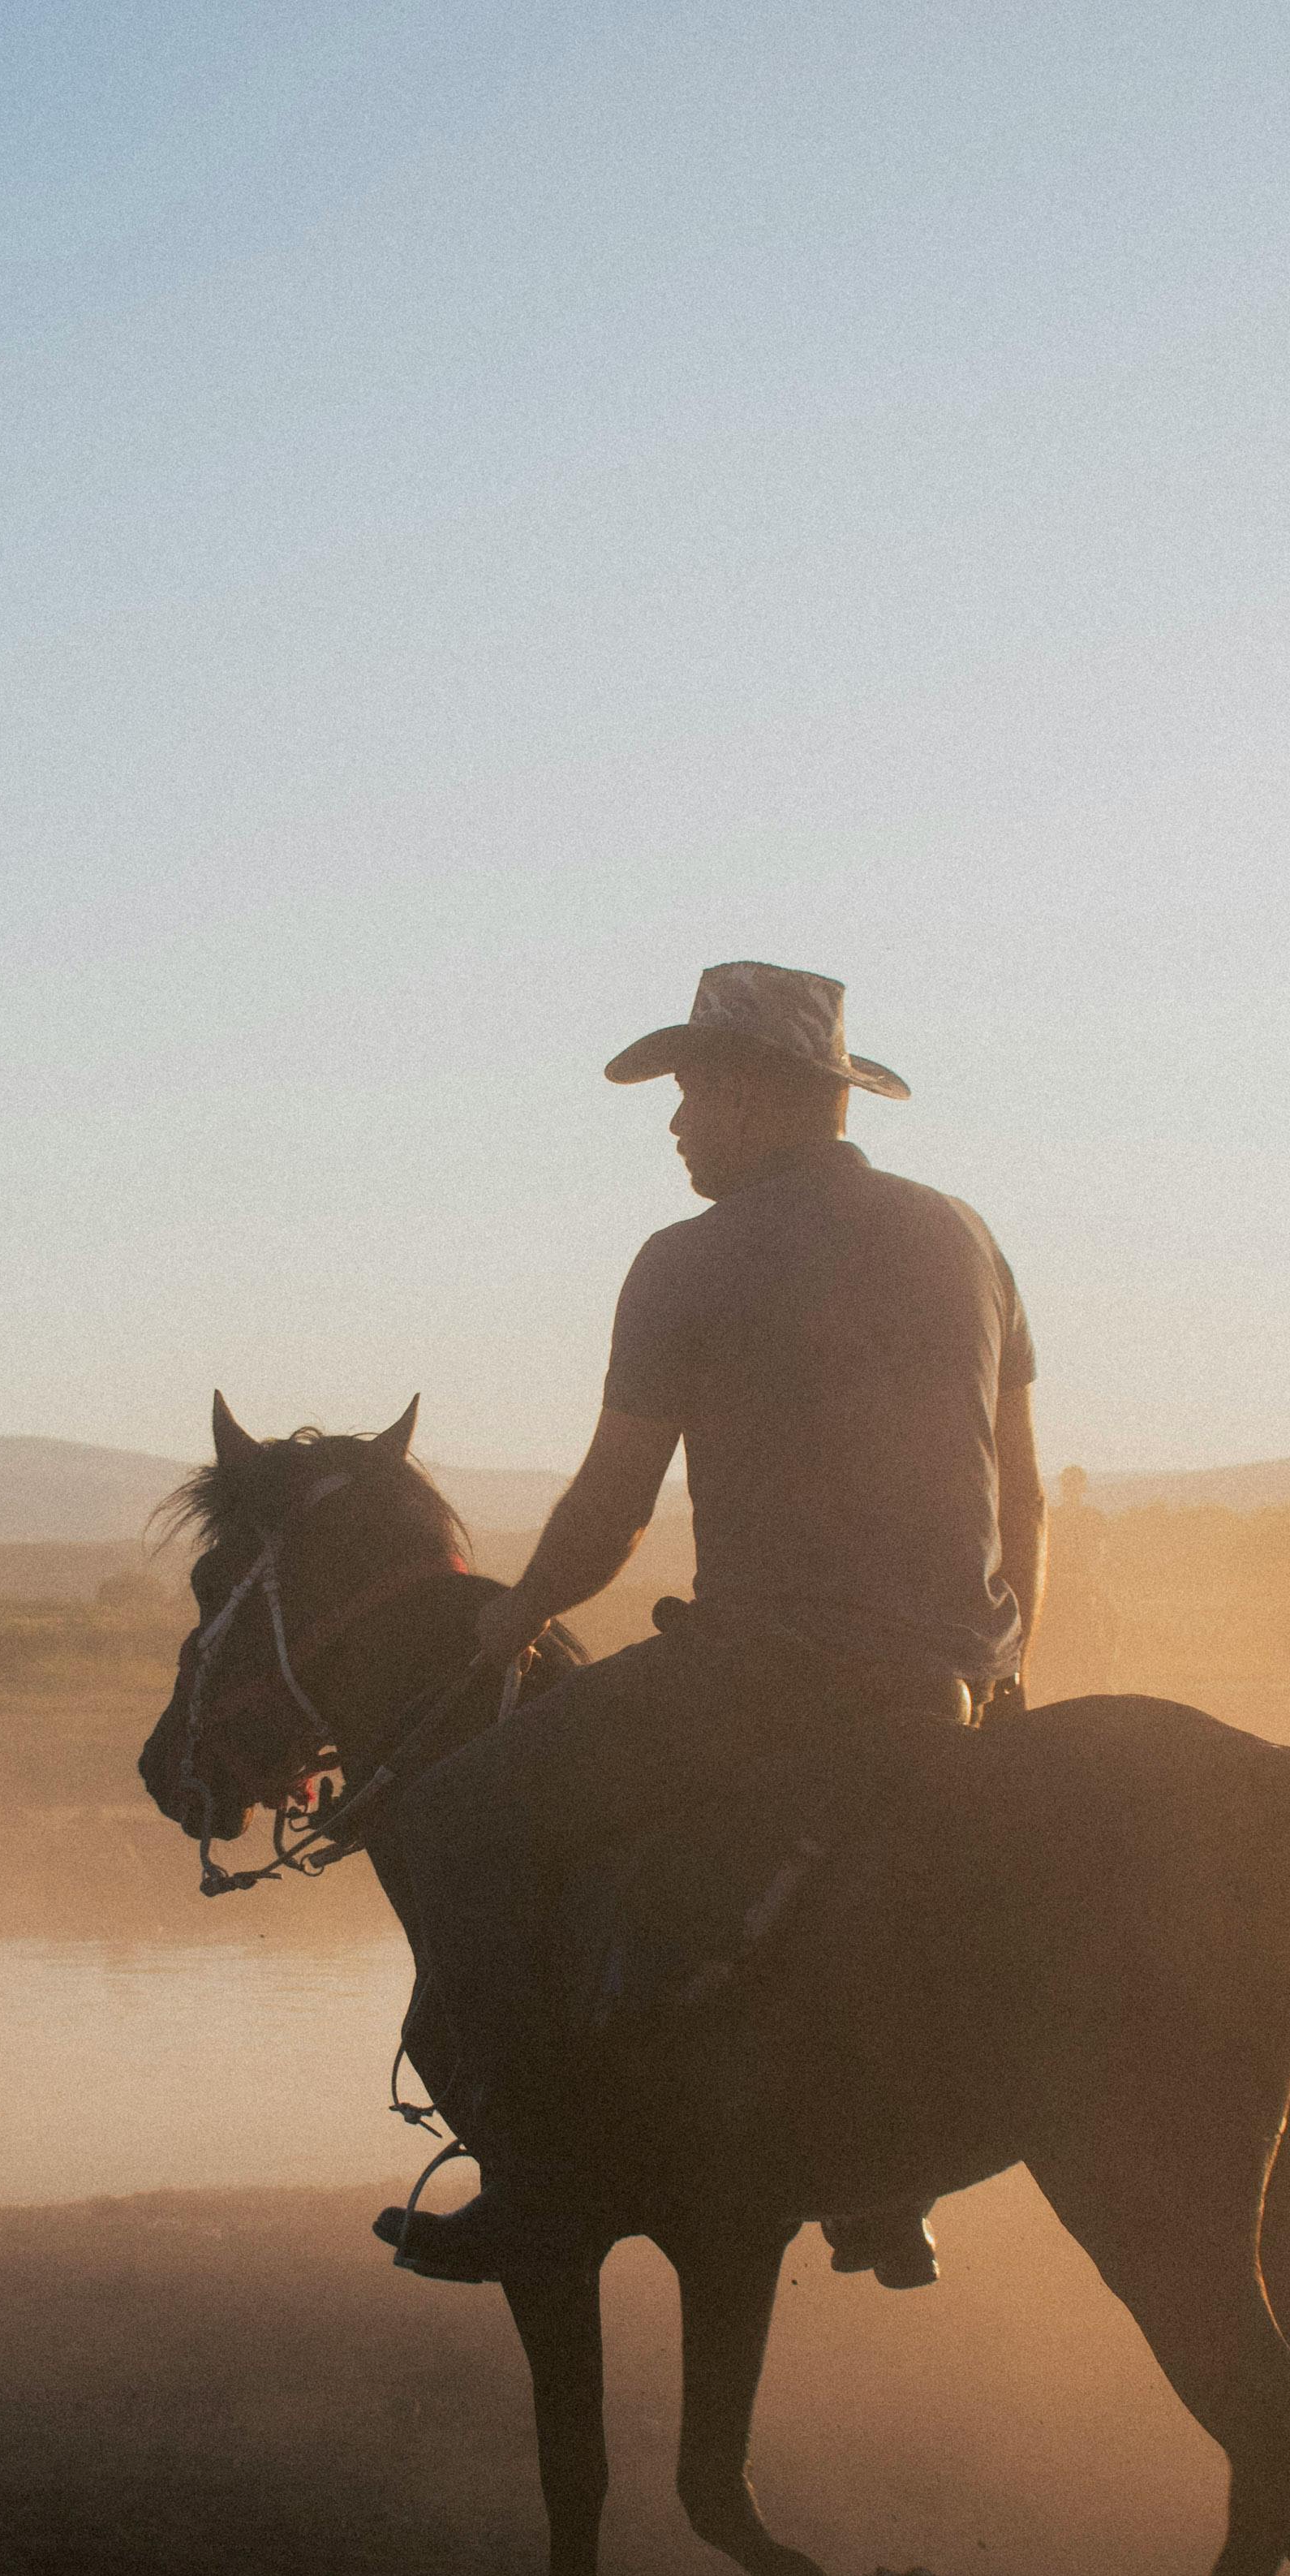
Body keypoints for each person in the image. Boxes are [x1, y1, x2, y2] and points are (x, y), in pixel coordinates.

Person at [369, 961, 1044, 2285]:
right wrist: (1002, 1660)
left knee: (452, 1829)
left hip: (769, 1671)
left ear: (750, 1091)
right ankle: (872, 2182)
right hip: (949, 1672)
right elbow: (1021, 1486)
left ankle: (536, 2184)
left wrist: (507, 1618)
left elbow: (610, 1512)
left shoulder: (687, 1261)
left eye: (688, 1092)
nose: (674, 1123)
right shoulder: (965, 1234)